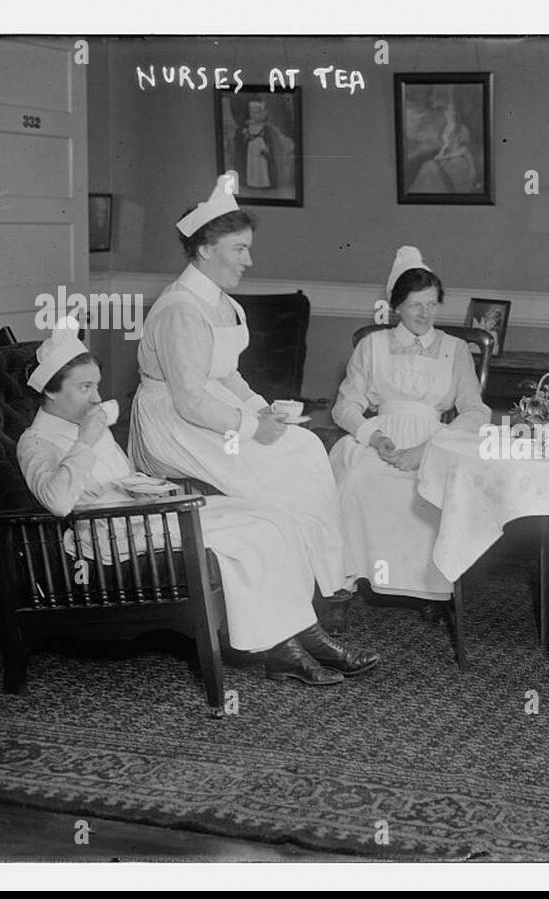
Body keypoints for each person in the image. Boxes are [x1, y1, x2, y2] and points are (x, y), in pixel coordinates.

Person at [18, 320, 361, 685]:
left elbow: (122, 477)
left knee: (274, 515)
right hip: (112, 536)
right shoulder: (36, 442)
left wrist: (147, 487)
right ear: (52, 392)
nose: (96, 398)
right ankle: (280, 651)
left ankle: (305, 634)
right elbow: (56, 500)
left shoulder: (85, 422)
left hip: (146, 515)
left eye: (96, 386)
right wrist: (85, 442)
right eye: (85, 387)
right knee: (252, 534)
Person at [128, 173, 372, 665]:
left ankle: (312, 598)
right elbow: (190, 399)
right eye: (239, 249)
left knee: (303, 449)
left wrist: (260, 407)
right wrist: (249, 428)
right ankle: (287, 618)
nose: (249, 260)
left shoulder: (223, 303)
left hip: (211, 412)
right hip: (172, 426)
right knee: (278, 472)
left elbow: (228, 376)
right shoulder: (180, 308)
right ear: (203, 251)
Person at [329, 247, 490, 616]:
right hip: (379, 436)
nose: (425, 314)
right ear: (396, 306)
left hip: (434, 439)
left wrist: (430, 447)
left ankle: (426, 589)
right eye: (416, 305)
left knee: (429, 489)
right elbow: (345, 406)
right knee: (356, 479)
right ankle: (345, 584)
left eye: (432, 304)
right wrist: (374, 437)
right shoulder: (373, 346)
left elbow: (475, 411)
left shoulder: (454, 349)